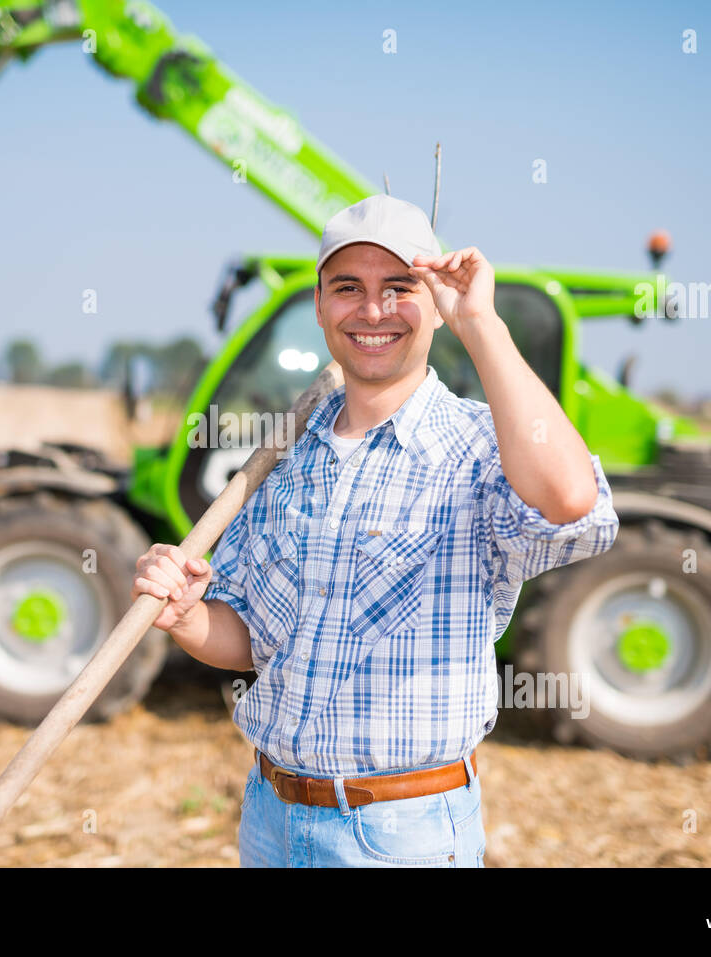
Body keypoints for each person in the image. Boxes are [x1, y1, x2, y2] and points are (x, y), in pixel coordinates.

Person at [130, 194, 620, 867]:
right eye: (349, 288)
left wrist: (480, 321)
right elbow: (251, 638)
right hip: (271, 819)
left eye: (399, 287)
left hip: (399, 835)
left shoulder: (477, 449)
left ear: (437, 303)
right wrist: (187, 616)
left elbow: (570, 500)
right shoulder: (284, 456)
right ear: (320, 304)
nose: (373, 310)